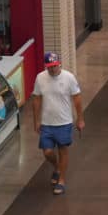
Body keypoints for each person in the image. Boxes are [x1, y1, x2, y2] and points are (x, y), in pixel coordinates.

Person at [33, 52, 83, 196]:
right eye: (49, 67)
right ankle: (57, 167)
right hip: (47, 122)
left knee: (63, 150)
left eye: (54, 66)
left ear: (59, 64)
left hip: (64, 122)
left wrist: (80, 118)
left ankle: (61, 180)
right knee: (47, 152)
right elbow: (36, 99)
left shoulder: (69, 78)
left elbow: (77, 98)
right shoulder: (40, 78)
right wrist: (36, 120)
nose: (52, 70)